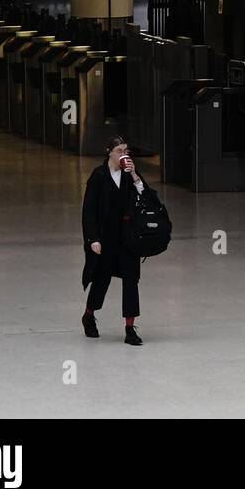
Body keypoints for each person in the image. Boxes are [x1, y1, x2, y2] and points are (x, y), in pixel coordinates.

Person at [81, 136, 155, 346]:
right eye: (119, 150)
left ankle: (130, 327)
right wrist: (92, 238)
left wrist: (133, 174)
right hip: (106, 237)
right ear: (109, 152)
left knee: (131, 280)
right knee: (101, 279)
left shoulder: (130, 174)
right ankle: (89, 314)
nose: (124, 154)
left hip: (127, 237)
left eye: (126, 150)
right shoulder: (99, 176)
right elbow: (89, 211)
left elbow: (145, 196)